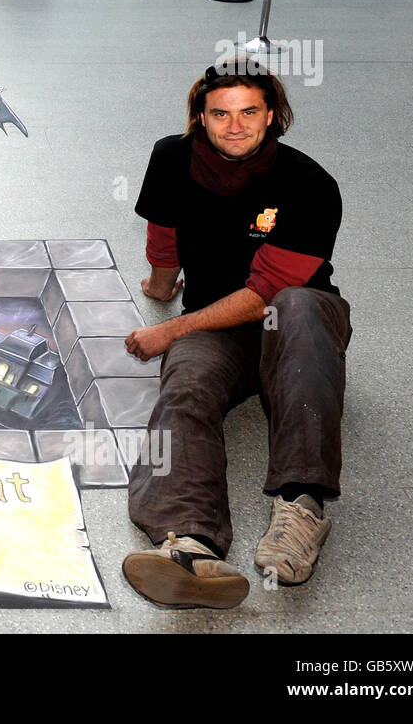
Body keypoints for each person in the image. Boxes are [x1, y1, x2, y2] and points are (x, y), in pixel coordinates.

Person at [120, 57, 350, 609]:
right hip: (218, 321)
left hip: (298, 318)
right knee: (187, 384)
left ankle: (301, 506)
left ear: (272, 115)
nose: (235, 125)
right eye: (220, 113)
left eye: (250, 111)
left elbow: (268, 289)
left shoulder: (310, 183)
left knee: (294, 308)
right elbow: (164, 230)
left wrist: (170, 329)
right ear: (200, 115)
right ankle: (190, 543)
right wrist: (160, 285)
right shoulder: (171, 156)